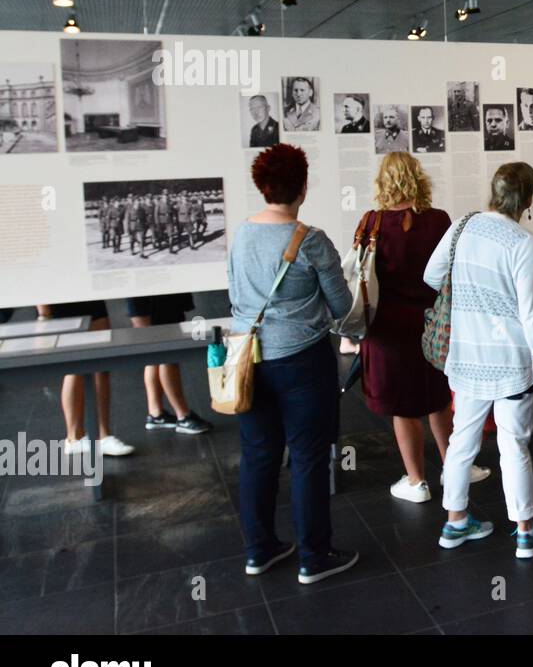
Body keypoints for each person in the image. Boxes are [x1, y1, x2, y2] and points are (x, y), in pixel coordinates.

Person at [228, 143, 358, 585]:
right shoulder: (312, 239)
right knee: (307, 457)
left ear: (262, 186)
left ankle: (258, 550)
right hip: (303, 361)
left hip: (249, 359)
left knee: (258, 456)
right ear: (302, 186)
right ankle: (314, 556)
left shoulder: (241, 234)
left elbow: (236, 296)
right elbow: (341, 306)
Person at [423, 162, 533, 559]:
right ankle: (525, 531)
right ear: (529, 198)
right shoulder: (523, 241)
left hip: (465, 354)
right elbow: (532, 310)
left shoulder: (463, 226)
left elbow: (432, 275)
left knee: (462, 439)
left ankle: (455, 521)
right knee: (513, 444)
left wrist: (469, 292)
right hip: (511, 362)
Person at [361, 153, 489, 503]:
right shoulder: (438, 220)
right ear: (419, 178)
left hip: (387, 326)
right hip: (432, 321)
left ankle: (416, 482)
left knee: (402, 405)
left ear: (383, 182)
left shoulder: (372, 222)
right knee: (437, 397)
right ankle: (454, 468)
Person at [46, 300, 134, 457]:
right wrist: (44, 313)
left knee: (101, 365)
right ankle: (74, 437)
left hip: (89, 292)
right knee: (75, 367)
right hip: (62, 297)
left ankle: (103, 436)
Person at [129, 293, 214, 434]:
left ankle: (156, 413)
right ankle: (183, 415)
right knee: (168, 354)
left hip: (148, 296)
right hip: (157, 294)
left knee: (154, 354)